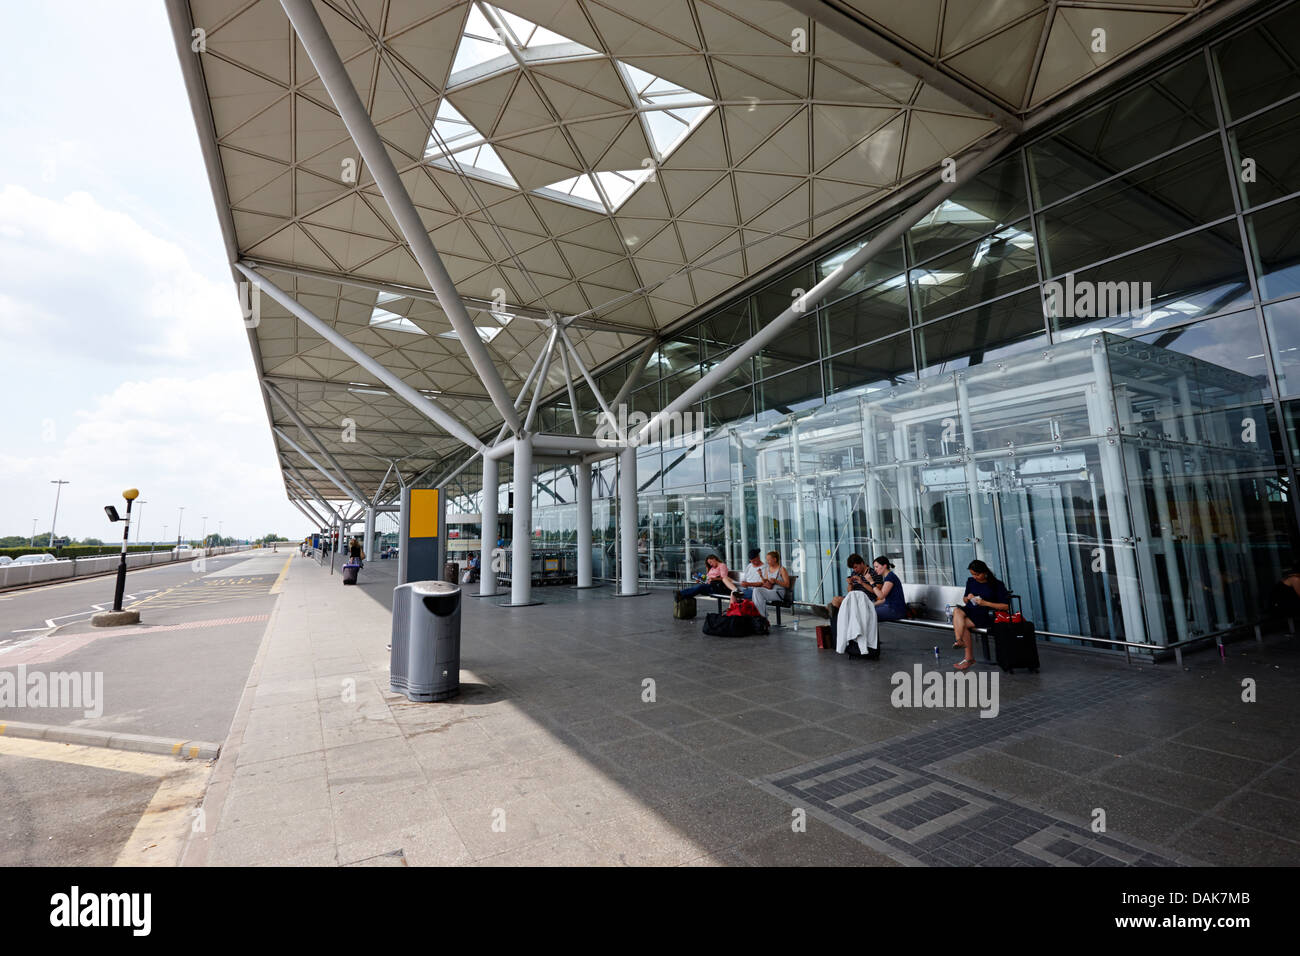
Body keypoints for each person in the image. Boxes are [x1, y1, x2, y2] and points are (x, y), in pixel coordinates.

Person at [952, 559, 1010, 671]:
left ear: (985, 572)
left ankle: (968, 657)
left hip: (986, 615)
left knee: (961, 624)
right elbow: (965, 600)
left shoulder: (996, 585)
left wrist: (985, 603)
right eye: (972, 574)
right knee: (956, 611)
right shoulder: (971, 581)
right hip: (971, 610)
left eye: (977, 574)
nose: (975, 577)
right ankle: (959, 640)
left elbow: (1005, 606)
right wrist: (968, 598)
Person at [733, 550, 790, 617]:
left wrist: (776, 581)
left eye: (769, 560)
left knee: (758, 592)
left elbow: (787, 584)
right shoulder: (768, 569)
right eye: (767, 560)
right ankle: (760, 615)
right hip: (769, 590)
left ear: (775, 559)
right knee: (756, 590)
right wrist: (761, 575)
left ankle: (760, 616)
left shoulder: (782, 569)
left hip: (778, 592)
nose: (767, 562)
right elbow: (764, 582)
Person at [870, 556, 906, 622]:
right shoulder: (888, 577)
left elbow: (881, 596)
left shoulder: (890, 577)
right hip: (891, 608)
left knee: (868, 614)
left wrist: (871, 582)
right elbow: (884, 599)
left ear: (884, 566)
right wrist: (872, 604)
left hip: (895, 610)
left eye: (877, 567)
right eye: (874, 567)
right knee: (868, 610)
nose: (875, 569)